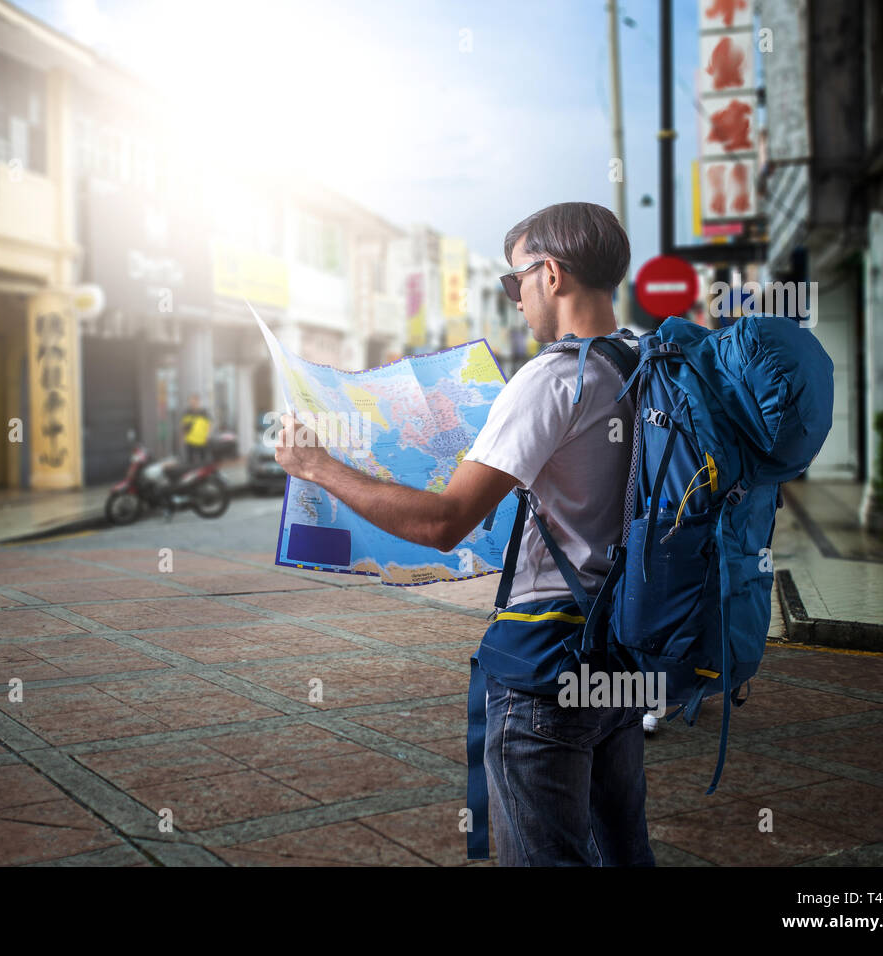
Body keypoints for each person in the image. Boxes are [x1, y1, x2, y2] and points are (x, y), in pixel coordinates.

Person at [274, 202, 654, 866]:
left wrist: (318, 467)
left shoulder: (552, 379)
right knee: (623, 851)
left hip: (547, 664)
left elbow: (441, 522)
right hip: (622, 650)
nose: (515, 300)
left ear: (553, 274)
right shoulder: (641, 363)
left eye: (516, 282)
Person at [180, 394, 212, 465]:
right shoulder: (186, 412)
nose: (192, 403)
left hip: (202, 441)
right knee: (189, 462)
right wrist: (182, 438)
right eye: (191, 401)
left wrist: (208, 435)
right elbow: (183, 426)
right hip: (190, 441)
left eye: (194, 401)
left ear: (198, 401)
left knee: (203, 462)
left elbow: (209, 425)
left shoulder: (204, 412)